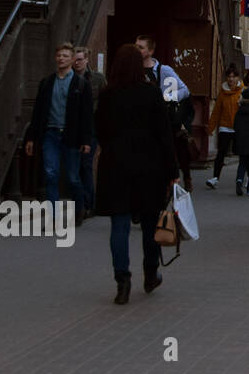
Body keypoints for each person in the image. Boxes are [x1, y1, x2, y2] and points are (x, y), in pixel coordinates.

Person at [94, 44, 178, 303]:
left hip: (116, 167)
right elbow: (164, 134)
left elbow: (100, 130)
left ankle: (122, 280)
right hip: (149, 168)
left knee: (119, 225)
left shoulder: (108, 95)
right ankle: (150, 274)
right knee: (151, 223)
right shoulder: (151, 94)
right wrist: (172, 170)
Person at [24, 43, 94, 224]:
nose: (61, 58)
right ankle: (52, 217)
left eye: (65, 55)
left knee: (72, 177)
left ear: (72, 59)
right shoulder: (47, 83)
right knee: (51, 174)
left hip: (71, 136)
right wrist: (31, 137)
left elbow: (86, 115)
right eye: (59, 55)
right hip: (50, 134)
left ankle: (80, 209)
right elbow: (38, 112)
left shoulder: (81, 84)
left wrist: (86, 140)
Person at [135, 35, 194, 191]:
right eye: (136, 46)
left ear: (151, 51)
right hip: (142, 121)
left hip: (164, 119)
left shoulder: (163, 70)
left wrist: (166, 98)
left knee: (176, 147)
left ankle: (183, 177)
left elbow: (184, 90)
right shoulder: (132, 69)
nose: (137, 50)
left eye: (141, 47)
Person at [73, 45, 106, 219]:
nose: (77, 63)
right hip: (73, 128)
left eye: (80, 59)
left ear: (86, 60)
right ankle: (83, 202)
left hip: (91, 127)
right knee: (75, 166)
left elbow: (106, 101)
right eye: (75, 59)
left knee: (85, 164)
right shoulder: (68, 78)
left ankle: (88, 203)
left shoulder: (97, 79)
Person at [205, 66, 243, 188]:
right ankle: (215, 178)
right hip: (225, 126)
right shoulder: (223, 92)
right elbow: (216, 110)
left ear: (238, 78)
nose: (231, 79)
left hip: (239, 127)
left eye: (233, 76)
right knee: (221, 152)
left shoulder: (243, 91)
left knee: (242, 153)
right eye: (229, 76)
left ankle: (242, 178)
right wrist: (211, 127)